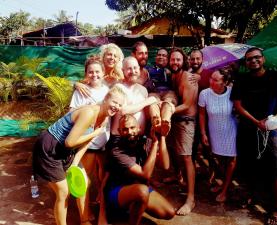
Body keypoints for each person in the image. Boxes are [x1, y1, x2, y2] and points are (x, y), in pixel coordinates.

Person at [32, 85, 126, 225]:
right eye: (114, 102)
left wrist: (75, 164)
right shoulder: (89, 113)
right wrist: (95, 133)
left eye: (120, 104)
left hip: (65, 150)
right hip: (49, 147)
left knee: (84, 182)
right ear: (105, 99)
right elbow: (70, 142)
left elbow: (87, 142)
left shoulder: (104, 118)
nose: (116, 106)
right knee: (64, 192)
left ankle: (84, 220)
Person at [230, 47, 277, 225]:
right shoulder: (242, 79)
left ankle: (276, 208)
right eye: (249, 59)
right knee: (248, 166)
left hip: (270, 131)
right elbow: (238, 105)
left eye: (256, 58)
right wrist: (256, 121)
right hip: (248, 129)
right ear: (246, 63)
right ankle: (251, 196)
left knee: (274, 169)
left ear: (263, 59)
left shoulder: (275, 77)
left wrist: (276, 117)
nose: (253, 61)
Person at [101, 114, 175, 225]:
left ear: (139, 127)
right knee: (142, 191)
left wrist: (162, 137)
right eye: (125, 129)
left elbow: (165, 165)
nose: (130, 132)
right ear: (119, 131)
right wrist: (155, 144)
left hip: (137, 188)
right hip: (116, 192)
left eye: (132, 128)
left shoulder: (144, 141)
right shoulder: (116, 150)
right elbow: (145, 175)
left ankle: (135, 206)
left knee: (169, 212)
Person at [69, 55, 110, 223]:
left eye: (97, 71)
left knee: (102, 181)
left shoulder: (108, 90)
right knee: (83, 180)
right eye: (91, 72)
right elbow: (71, 114)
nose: (94, 75)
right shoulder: (81, 90)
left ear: (103, 72)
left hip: (105, 141)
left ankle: (101, 214)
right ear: (86, 73)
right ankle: (84, 217)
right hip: (87, 142)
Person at [167, 47, 198, 215]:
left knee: (187, 157)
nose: (175, 62)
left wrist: (166, 109)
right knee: (175, 152)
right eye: (173, 59)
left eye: (178, 59)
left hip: (187, 122)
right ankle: (178, 177)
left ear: (183, 61)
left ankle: (191, 199)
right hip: (177, 120)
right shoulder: (173, 75)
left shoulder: (188, 77)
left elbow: (186, 104)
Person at [199, 69, 237, 203]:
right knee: (219, 158)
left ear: (225, 82)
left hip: (231, 130)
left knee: (231, 159)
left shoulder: (232, 93)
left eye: (215, 80)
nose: (211, 81)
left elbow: (238, 109)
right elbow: (202, 114)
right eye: (211, 78)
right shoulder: (204, 94)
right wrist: (203, 133)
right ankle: (223, 184)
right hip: (214, 131)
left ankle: (225, 190)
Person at [110, 56, 158, 136]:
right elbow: (123, 111)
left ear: (139, 69)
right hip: (120, 139)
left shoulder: (143, 90)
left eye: (135, 68)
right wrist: (147, 102)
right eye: (129, 68)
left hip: (139, 138)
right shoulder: (118, 87)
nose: (133, 71)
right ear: (123, 71)